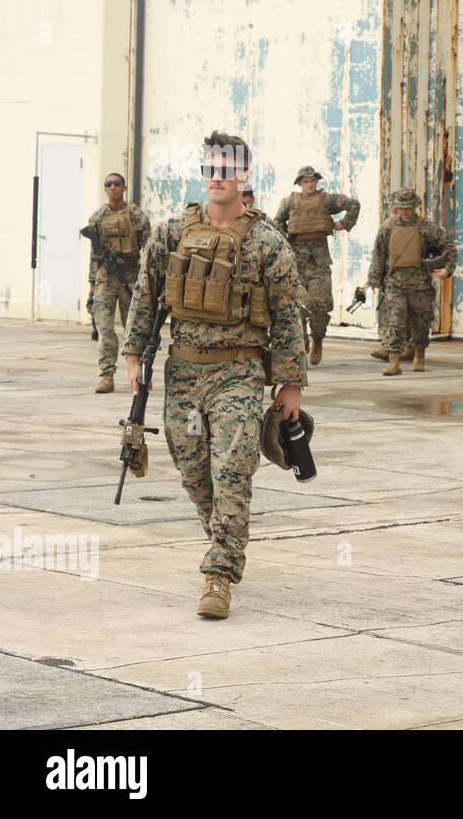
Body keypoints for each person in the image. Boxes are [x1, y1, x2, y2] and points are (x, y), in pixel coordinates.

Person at [121, 130, 307, 619]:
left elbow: (289, 315)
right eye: (211, 168)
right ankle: (224, 536)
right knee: (194, 472)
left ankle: (219, 572)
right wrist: (133, 356)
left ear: (245, 176)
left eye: (228, 169)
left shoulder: (268, 243)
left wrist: (290, 383)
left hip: (239, 373)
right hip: (182, 370)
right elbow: (145, 295)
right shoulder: (169, 234)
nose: (218, 178)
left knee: (232, 471)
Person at [273, 166, 360, 365]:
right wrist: (284, 238)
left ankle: (318, 339)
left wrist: (343, 224)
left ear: (316, 182)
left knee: (320, 306)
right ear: (299, 183)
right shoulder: (289, 202)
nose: (309, 184)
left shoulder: (327, 200)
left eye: (312, 181)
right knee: (296, 307)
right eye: (305, 181)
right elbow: (277, 221)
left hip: (319, 263)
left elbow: (353, 204)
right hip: (296, 263)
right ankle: (301, 346)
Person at [365, 188, 456, 374]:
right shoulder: (387, 227)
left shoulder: (427, 227)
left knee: (420, 322)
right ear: (396, 208)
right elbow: (379, 256)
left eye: (408, 208)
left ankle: (419, 354)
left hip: (420, 284)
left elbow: (450, 247)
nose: (405, 212)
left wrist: (448, 269)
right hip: (395, 283)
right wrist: (372, 280)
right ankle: (394, 360)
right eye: (401, 208)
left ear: (415, 207)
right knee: (394, 322)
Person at [85, 173, 151, 393]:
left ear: (124, 187)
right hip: (105, 277)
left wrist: (147, 278)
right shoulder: (97, 217)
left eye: (116, 184)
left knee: (132, 327)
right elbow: (94, 256)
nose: (112, 188)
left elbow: (148, 247)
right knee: (104, 326)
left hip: (129, 276)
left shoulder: (135, 216)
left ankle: (138, 374)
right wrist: (92, 287)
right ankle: (106, 375)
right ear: (105, 189)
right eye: (108, 184)